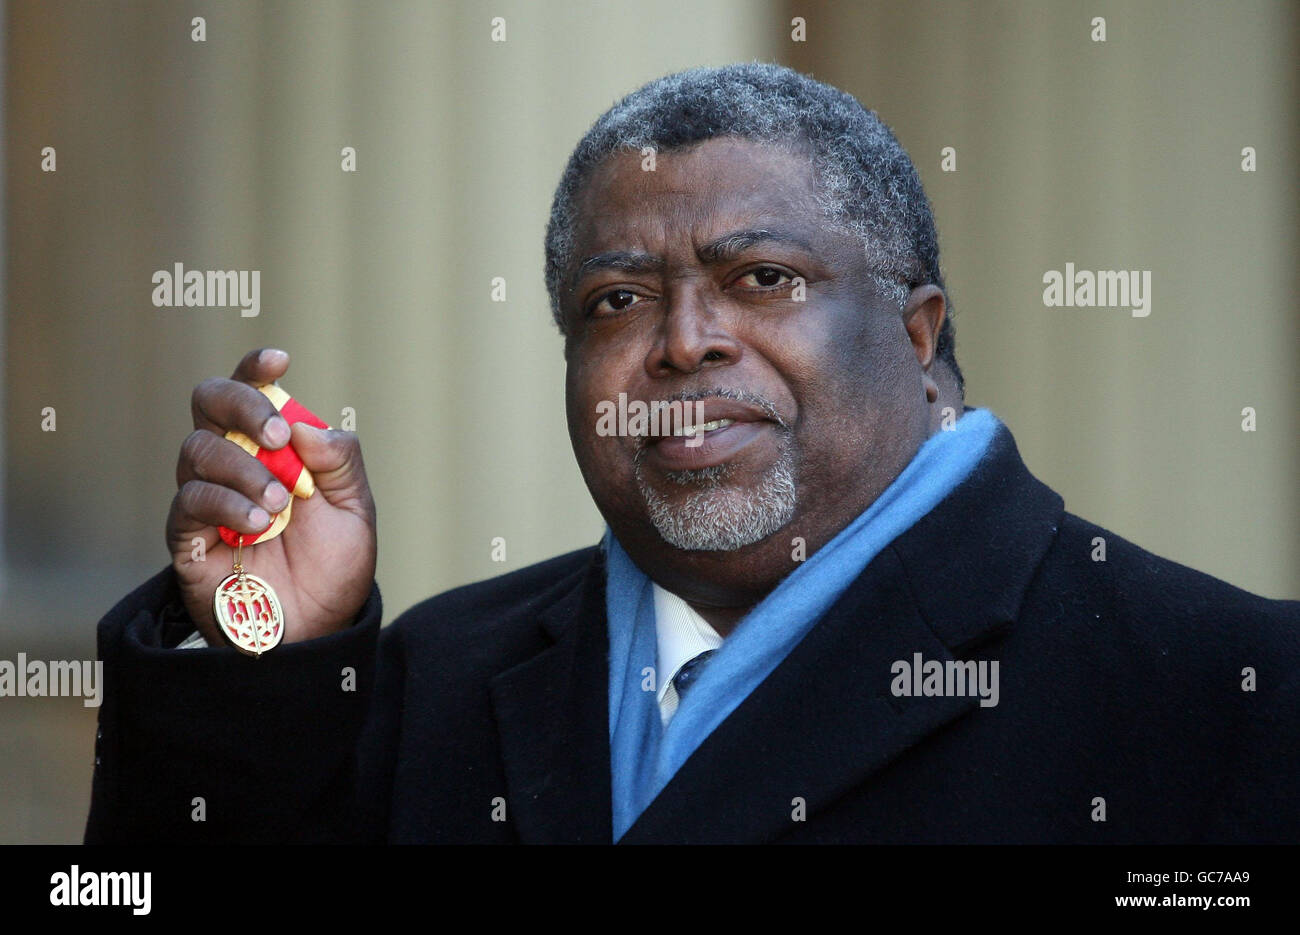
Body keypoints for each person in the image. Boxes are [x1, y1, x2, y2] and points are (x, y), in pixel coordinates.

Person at [85, 63, 1298, 844]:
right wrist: (264, 653)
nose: (682, 343)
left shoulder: (1230, 692)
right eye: (615, 301)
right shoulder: (432, 677)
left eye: (761, 279)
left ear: (917, 336)